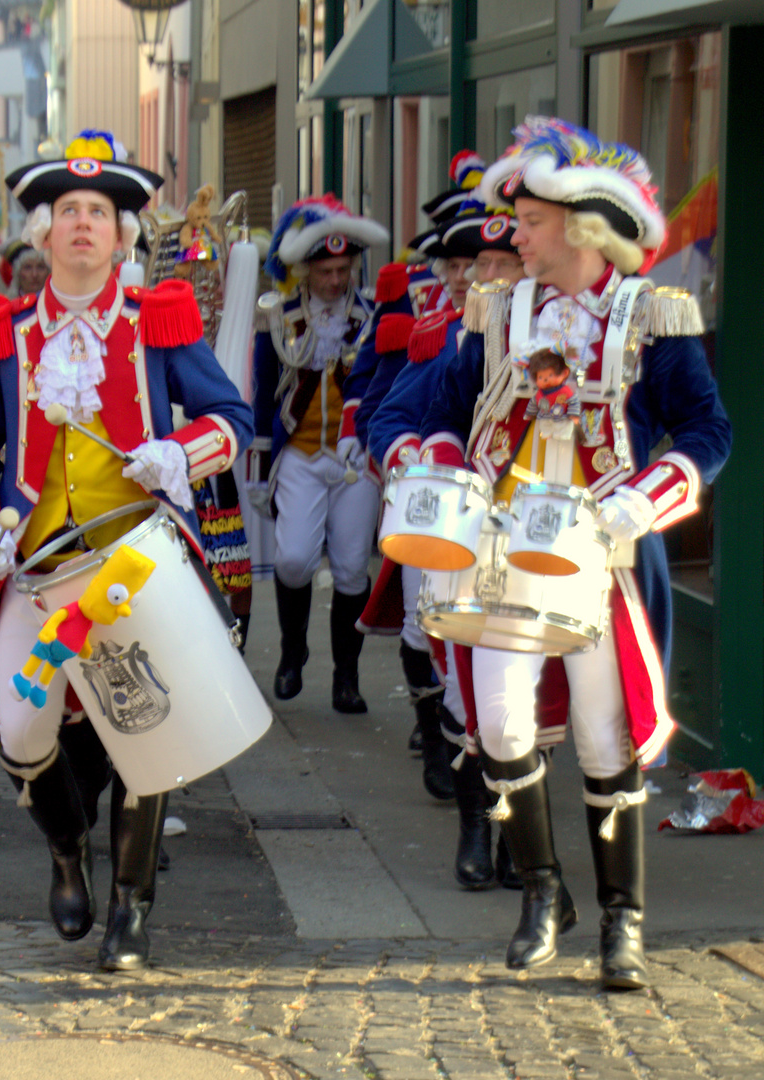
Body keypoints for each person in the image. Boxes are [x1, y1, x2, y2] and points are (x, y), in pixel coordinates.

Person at [411, 117, 730, 988]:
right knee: (503, 725)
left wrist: (641, 502)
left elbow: (708, 431)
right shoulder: (499, 311)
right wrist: (432, 463)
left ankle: (622, 920)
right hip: (502, 551)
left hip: (604, 552)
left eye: (532, 217)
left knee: (603, 734)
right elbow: (441, 412)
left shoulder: (652, 316)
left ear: (584, 226)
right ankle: (543, 893)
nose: (515, 232)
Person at [0, 129, 253, 970]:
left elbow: (234, 419)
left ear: (121, 237)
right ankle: (65, 846)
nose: (83, 225)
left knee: (143, 734)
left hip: (138, 566)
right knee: (22, 732)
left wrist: (180, 454)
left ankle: (132, 908)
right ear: (43, 234)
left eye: (100, 214)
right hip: (38, 576)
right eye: (68, 211)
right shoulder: (0, 333)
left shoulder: (159, 321)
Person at [368, 201, 527, 889]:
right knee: (466, 688)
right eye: (473, 265)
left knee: (529, 700)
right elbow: (397, 417)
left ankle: (521, 836)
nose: (480, 278)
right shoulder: (447, 342)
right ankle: (474, 825)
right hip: (461, 536)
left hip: (540, 539)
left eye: (499, 265)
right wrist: (421, 464)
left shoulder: (569, 341)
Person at [249, 196, 388, 713]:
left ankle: (346, 677)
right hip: (301, 454)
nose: (335, 280)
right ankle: (292, 652)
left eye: (343, 269)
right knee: (292, 559)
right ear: (305, 270)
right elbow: (264, 391)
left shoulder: (372, 316)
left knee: (352, 568)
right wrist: (263, 468)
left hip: (355, 459)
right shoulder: (278, 315)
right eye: (326, 271)